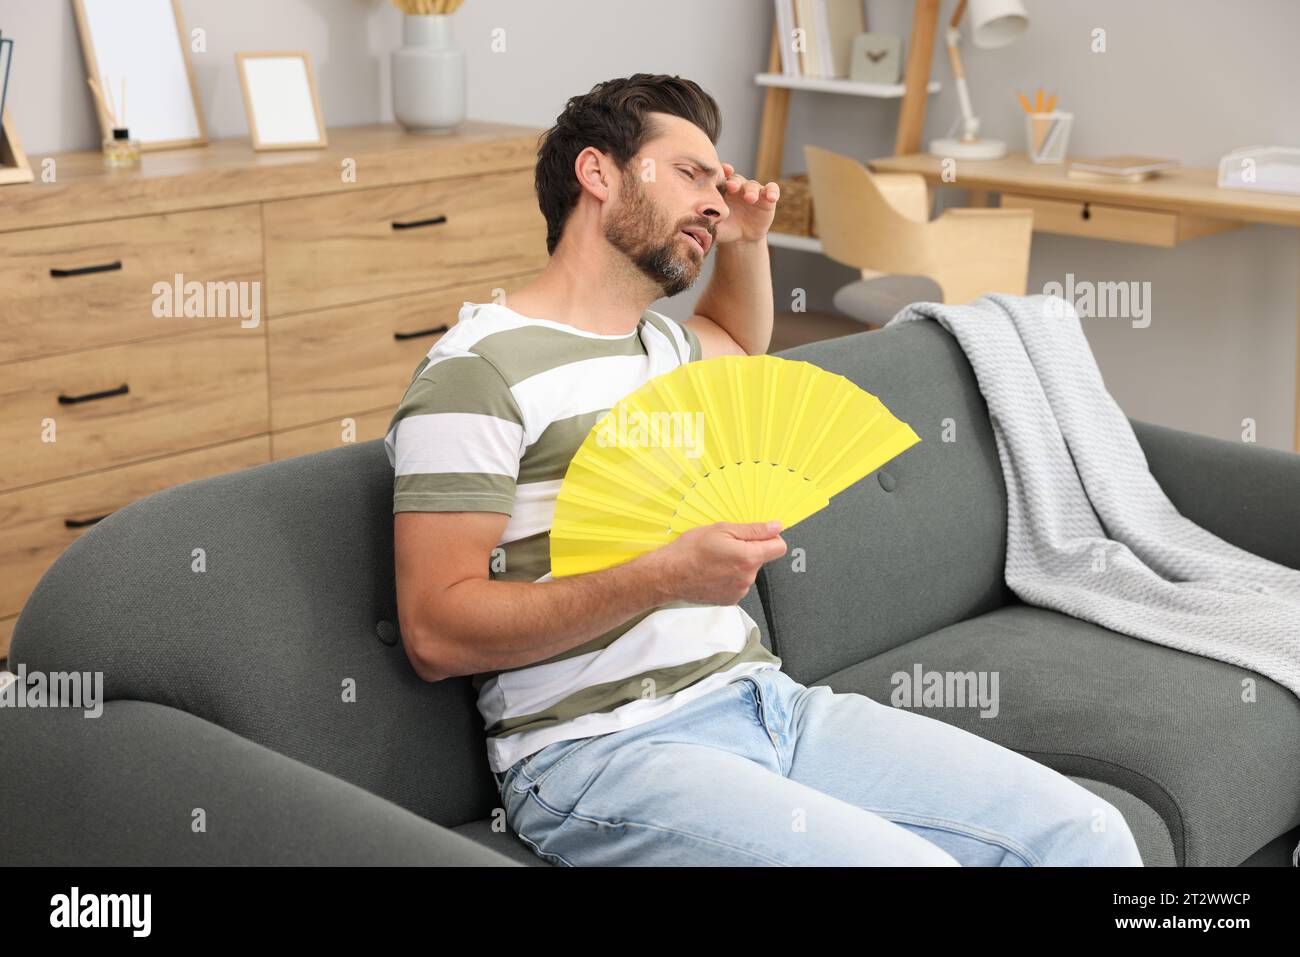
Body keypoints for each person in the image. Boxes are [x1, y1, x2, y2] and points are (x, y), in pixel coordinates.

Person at [386, 73, 1144, 867]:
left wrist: (746, 240)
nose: (715, 199)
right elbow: (436, 631)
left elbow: (739, 345)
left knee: (1086, 835)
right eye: (689, 174)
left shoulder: (663, 347)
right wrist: (661, 577)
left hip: (768, 703)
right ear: (599, 173)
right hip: (600, 752)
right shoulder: (476, 372)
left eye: (719, 182)